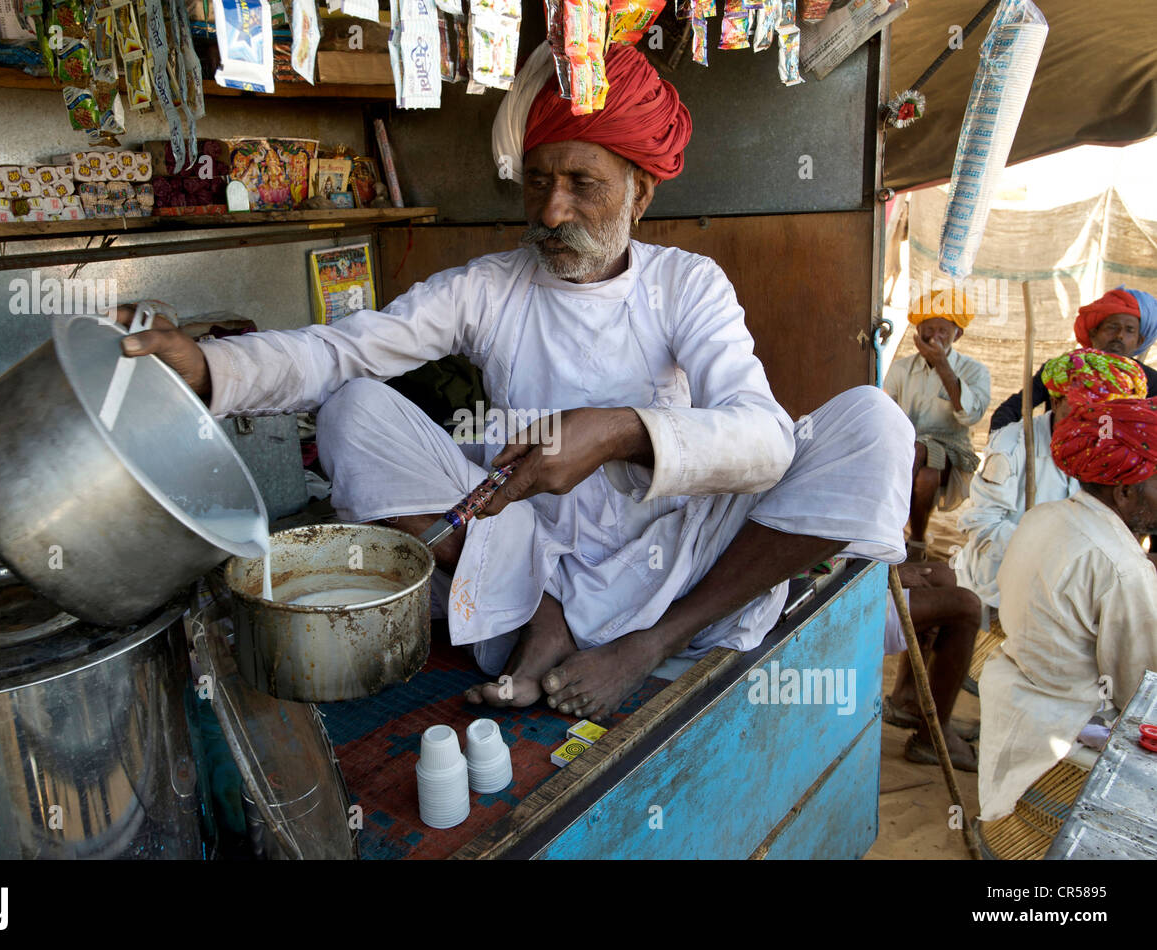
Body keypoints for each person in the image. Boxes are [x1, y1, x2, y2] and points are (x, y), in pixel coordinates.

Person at [115, 43, 914, 721]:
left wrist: (620, 432)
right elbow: (347, 351)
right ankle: (546, 617)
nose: (553, 210)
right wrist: (213, 367)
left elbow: (765, 437)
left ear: (642, 190)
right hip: (529, 548)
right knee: (353, 410)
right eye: (537, 181)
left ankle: (649, 642)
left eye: (583, 183)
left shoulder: (686, 283)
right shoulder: (490, 286)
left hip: (675, 552)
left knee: (875, 424)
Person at [977, 397, 1157, 823]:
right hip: (1066, 729)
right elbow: (1141, 691)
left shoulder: (1044, 517)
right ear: (1126, 490)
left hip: (1016, 701)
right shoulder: (1122, 568)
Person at [952, 348, 1146, 611]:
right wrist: (1052, 553)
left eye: (1102, 415)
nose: (1091, 423)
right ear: (1056, 402)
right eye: (1083, 411)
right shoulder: (1012, 444)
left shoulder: (1109, 450)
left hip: (1071, 591)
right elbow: (981, 525)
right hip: (1002, 587)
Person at [885, 291, 991, 558]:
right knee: (925, 475)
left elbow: (970, 416)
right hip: (909, 449)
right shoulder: (901, 369)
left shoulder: (974, 371)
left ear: (958, 335)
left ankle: (889, 528)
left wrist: (943, 365)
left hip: (953, 450)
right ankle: (917, 540)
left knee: (919, 451)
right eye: (928, 329)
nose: (935, 337)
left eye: (943, 330)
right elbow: (887, 413)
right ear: (917, 333)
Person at [988, 286, 1157, 433]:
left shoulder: (1151, 381)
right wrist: (1005, 447)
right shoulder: (1061, 370)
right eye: (1112, 327)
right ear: (1093, 334)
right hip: (1058, 464)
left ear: (1139, 341)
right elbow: (1010, 410)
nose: (1120, 335)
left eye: (1129, 330)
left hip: (1120, 467)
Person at [882, 561, 982, 771]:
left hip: (862, 572)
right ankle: (934, 738)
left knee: (944, 577)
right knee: (966, 607)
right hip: (847, 590)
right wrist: (881, 571)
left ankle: (907, 698)